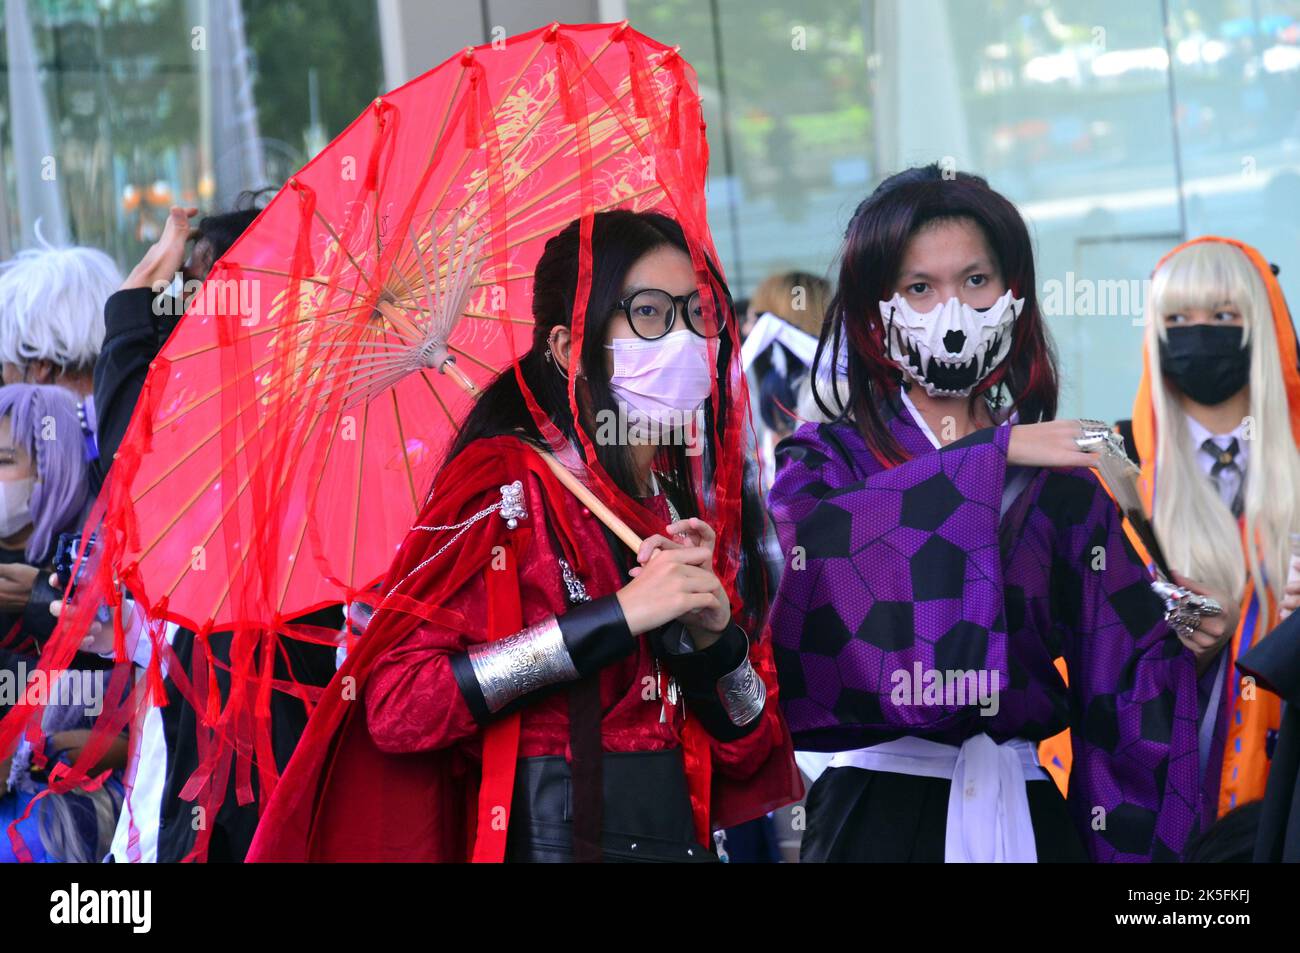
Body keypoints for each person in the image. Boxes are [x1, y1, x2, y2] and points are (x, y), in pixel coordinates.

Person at [248, 210, 801, 862]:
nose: (683, 338)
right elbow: (399, 704)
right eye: (651, 314)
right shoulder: (505, 486)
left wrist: (715, 639)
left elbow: (748, 738)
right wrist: (613, 619)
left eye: (695, 312)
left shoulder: (672, 498)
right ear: (571, 349)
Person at [766, 164, 1234, 862]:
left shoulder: (1061, 479)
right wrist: (997, 451)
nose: (952, 308)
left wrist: (1183, 651)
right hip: (874, 816)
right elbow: (817, 598)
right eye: (919, 288)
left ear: (1013, 295)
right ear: (873, 314)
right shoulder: (823, 461)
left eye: (976, 281)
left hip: (1025, 810)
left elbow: (1124, 689)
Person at [1116, 237, 1300, 818]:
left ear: (1262, 327)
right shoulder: (1114, 471)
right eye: (1177, 319)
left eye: (1223, 316)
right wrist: (1172, 637)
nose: (1199, 335)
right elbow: (1076, 645)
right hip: (1154, 805)